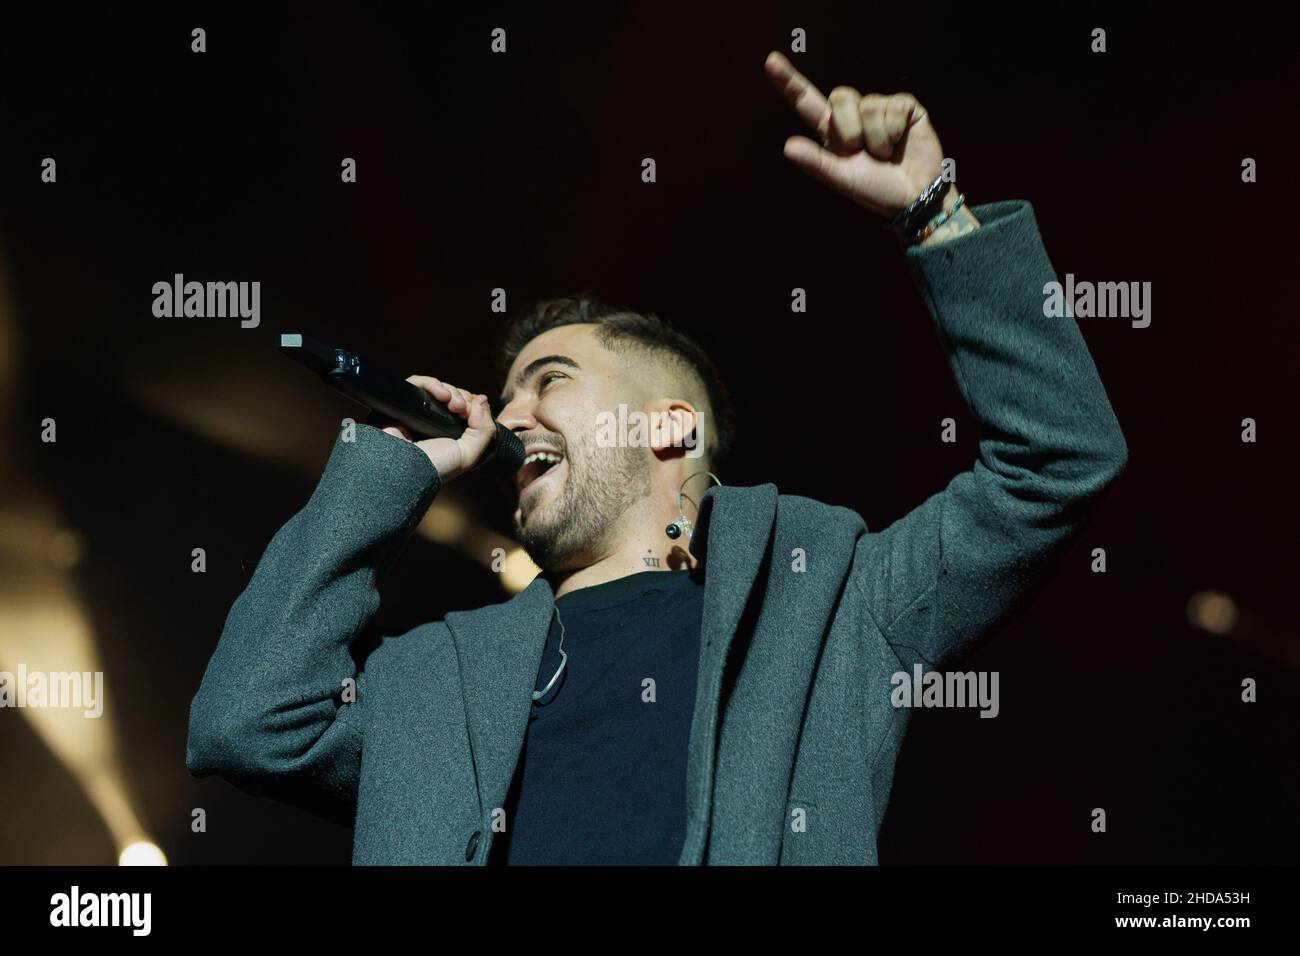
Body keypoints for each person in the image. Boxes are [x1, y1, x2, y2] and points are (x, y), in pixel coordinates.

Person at [186, 52, 1127, 865]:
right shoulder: (439, 677)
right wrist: (391, 474)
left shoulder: (832, 598)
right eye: (508, 393)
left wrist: (933, 214)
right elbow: (249, 723)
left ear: (667, 428)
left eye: (548, 380)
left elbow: (1056, 460)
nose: (512, 413)